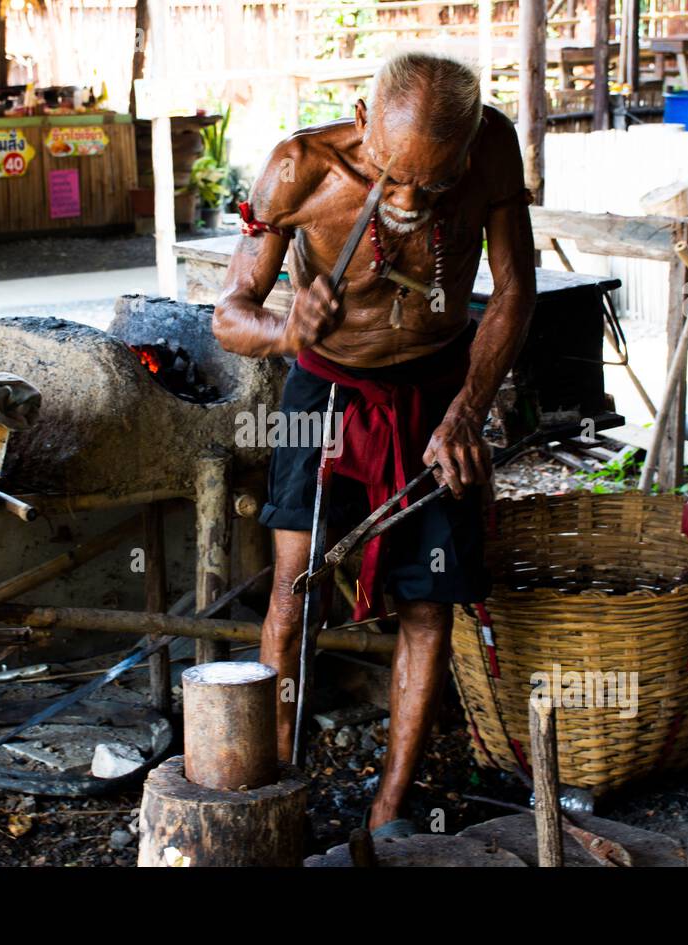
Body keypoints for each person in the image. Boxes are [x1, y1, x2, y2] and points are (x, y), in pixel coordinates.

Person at [212, 51, 536, 829]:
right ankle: (273, 791)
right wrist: (288, 331)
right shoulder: (297, 169)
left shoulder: (492, 148)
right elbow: (229, 315)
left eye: (432, 183)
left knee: (429, 605)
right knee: (293, 591)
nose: (406, 199)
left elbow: (515, 290)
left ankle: (390, 808)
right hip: (323, 389)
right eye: (391, 175)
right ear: (362, 121)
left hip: (438, 391)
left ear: (466, 149)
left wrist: (467, 411)